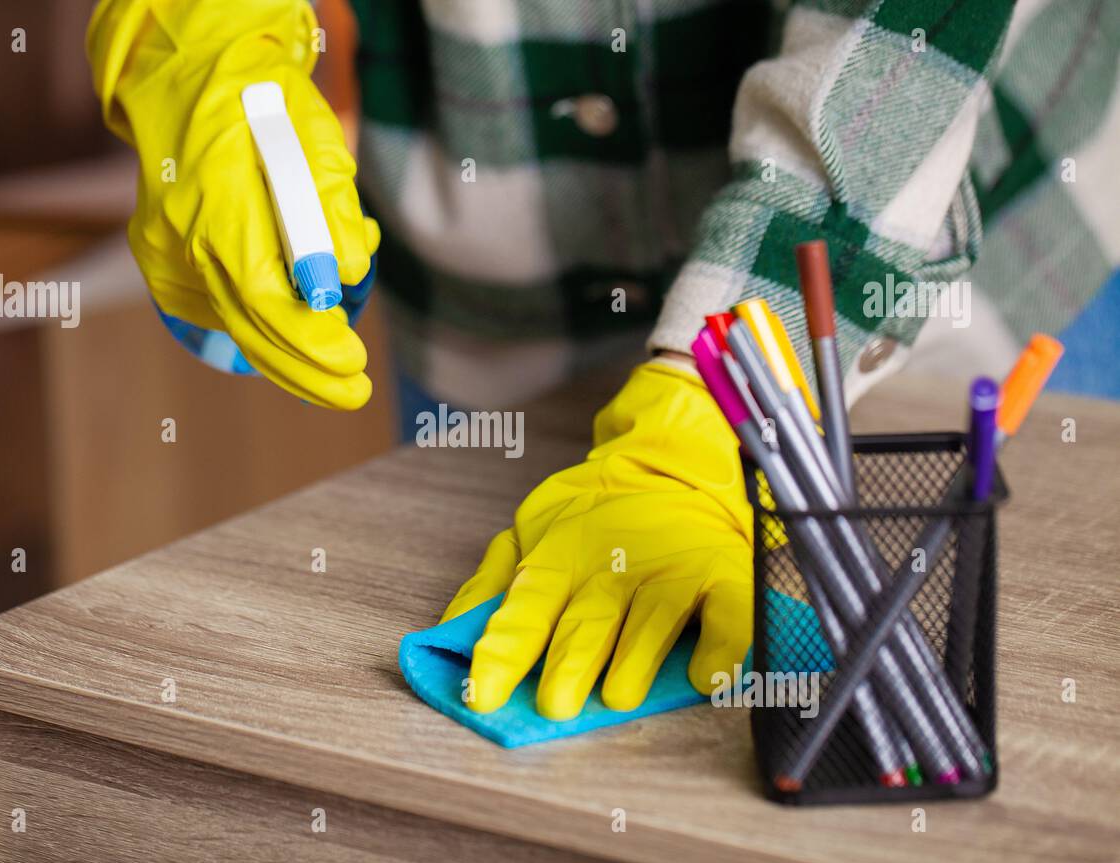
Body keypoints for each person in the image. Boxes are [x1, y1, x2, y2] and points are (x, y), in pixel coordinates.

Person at [88, 0, 1118, 720]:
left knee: (1000, 751)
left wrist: (712, 397)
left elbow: (904, 38)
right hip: (504, 309)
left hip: (947, 269)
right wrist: (194, 42)